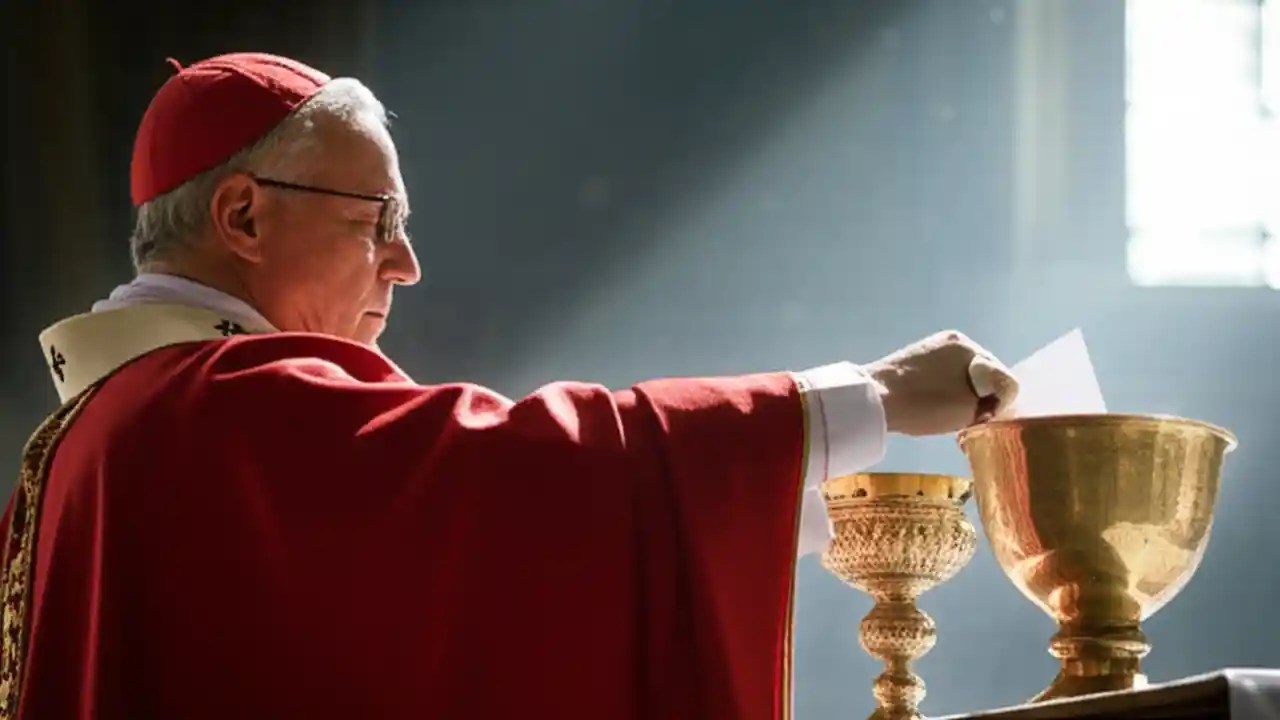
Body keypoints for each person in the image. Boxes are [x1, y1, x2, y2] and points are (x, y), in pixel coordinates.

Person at [4, 52, 1018, 720]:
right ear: (242, 216)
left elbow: (417, 595)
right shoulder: (217, 405)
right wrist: (864, 399)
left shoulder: (104, 431)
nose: (403, 264)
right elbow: (517, 479)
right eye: (374, 220)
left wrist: (776, 506)